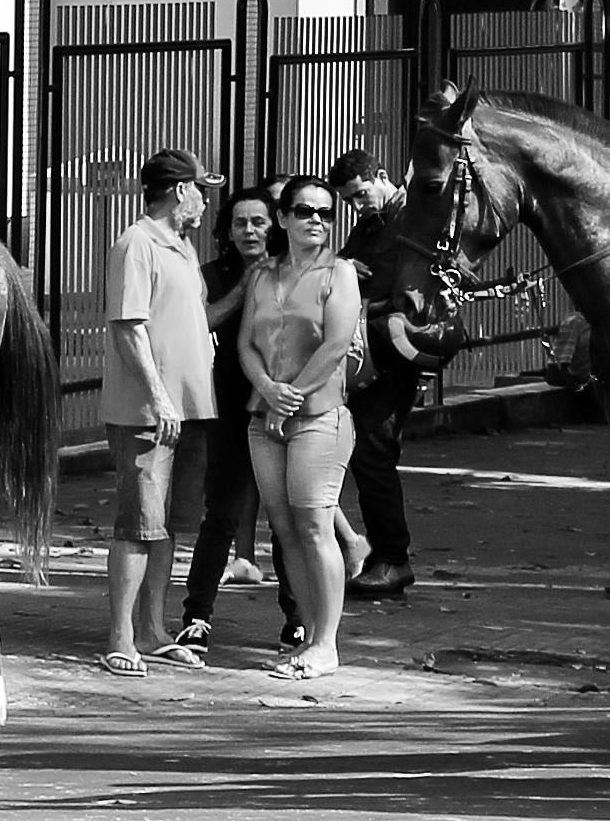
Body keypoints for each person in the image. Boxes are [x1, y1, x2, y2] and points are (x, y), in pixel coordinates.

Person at [242, 175, 370, 679]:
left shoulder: (340, 273)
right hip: (264, 415)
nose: (317, 220)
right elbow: (245, 346)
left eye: (326, 213)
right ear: (284, 218)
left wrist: (289, 397)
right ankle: (311, 633)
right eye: (305, 211)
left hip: (318, 415)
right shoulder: (262, 276)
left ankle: (327, 643)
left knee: (316, 525)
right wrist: (267, 390)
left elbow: (336, 343)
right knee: (286, 529)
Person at [99, 149, 221, 674]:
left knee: (166, 524)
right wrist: (158, 396)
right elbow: (129, 326)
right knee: (139, 523)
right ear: (178, 191)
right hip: (148, 414)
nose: (204, 201)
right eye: (200, 190)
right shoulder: (137, 244)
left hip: (188, 410)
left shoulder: (183, 249)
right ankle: (121, 638)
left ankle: (153, 629)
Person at [330, 147, 458, 599]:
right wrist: (342, 268)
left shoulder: (408, 221)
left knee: (373, 449)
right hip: (374, 346)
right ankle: (385, 554)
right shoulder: (373, 222)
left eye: (360, 193)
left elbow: (397, 286)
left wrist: (349, 277)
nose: (357, 204)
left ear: (382, 176)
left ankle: (391, 557)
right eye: (349, 200)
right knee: (369, 449)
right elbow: (348, 267)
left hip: (395, 348)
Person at [179, 183, 301, 650]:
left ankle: (296, 615)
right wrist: (243, 288)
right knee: (222, 513)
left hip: (285, 402)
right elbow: (202, 320)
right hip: (229, 401)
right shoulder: (210, 272)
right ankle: (197, 616)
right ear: (226, 230)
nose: (249, 230)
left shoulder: (293, 270)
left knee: (286, 513)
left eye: (258, 221)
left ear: (276, 226)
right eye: (239, 222)